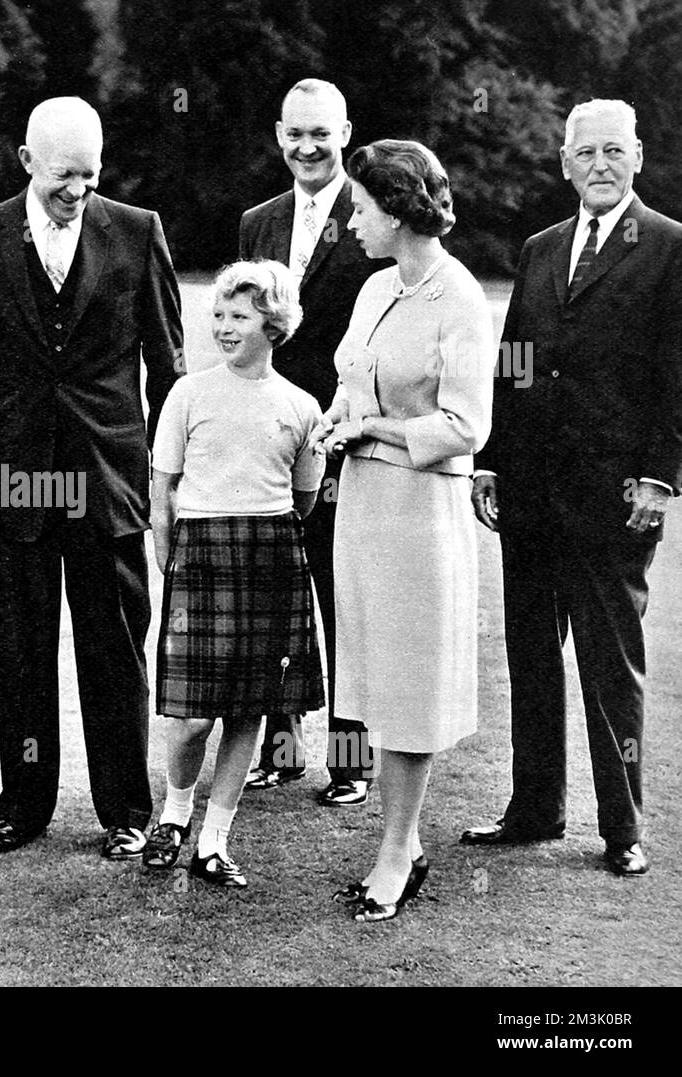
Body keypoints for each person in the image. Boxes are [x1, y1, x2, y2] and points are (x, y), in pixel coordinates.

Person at [0, 97, 183, 859]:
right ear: (25, 162)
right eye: (60, 176)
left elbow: (167, 365)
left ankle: (125, 811)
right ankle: (23, 807)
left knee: (115, 649)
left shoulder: (138, 231)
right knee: (20, 649)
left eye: (90, 174)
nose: (77, 190)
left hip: (108, 478)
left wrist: (163, 471)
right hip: (14, 482)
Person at [463, 100, 682, 877]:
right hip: (530, 492)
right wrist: (491, 459)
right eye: (585, 151)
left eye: (614, 150)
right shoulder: (541, 248)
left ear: (638, 157)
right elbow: (516, 359)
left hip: (614, 497)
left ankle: (622, 828)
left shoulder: (667, 247)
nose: (600, 164)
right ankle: (533, 808)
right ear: (563, 163)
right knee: (531, 655)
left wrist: (659, 477)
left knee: (609, 661)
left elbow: (674, 378)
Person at [313, 140, 493, 921]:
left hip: (420, 514)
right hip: (364, 507)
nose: (352, 221)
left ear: (396, 210)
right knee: (375, 680)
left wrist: (372, 431)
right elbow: (353, 383)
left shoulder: (458, 299)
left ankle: (397, 849)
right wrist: (336, 420)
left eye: (360, 207)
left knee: (409, 688)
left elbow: (464, 425)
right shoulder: (377, 287)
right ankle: (401, 841)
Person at [147, 260, 324, 887]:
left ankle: (214, 841)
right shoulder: (188, 392)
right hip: (199, 553)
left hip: (272, 555)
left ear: (272, 326)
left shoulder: (302, 406)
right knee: (191, 715)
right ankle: (174, 814)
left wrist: (267, 530)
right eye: (218, 315)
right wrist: (170, 553)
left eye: (239, 317)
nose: (224, 327)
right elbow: (162, 484)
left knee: (249, 709)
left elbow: (304, 497)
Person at [238, 78, 391, 806]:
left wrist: (348, 416)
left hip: (347, 437)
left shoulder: (371, 219)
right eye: (295, 134)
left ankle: (352, 760)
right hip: (272, 441)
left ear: (346, 133)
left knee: (344, 600)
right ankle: (279, 748)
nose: (307, 147)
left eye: (321, 134)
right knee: (275, 595)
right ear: (278, 135)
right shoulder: (257, 222)